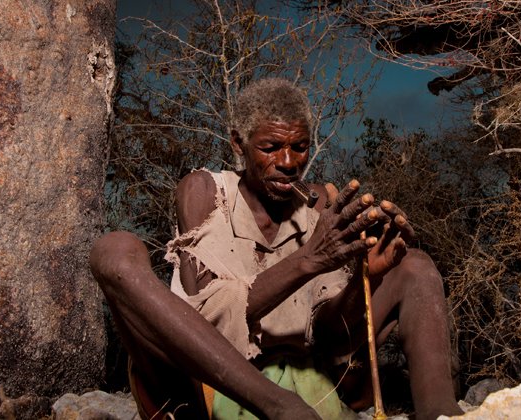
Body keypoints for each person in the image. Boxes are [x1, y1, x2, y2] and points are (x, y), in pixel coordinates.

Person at [89, 78, 463, 420]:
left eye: (300, 148)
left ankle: (442, 413)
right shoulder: (206, 193)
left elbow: (329, 333)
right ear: (239, 143)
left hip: (311, 368)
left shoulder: (321, 205)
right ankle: (279, 406)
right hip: (204, 381)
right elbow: (206, 319)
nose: (288, 163)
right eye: (270, 148)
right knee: (114, 250)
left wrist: (366, 278)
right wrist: (310, 259)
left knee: (414, 265)